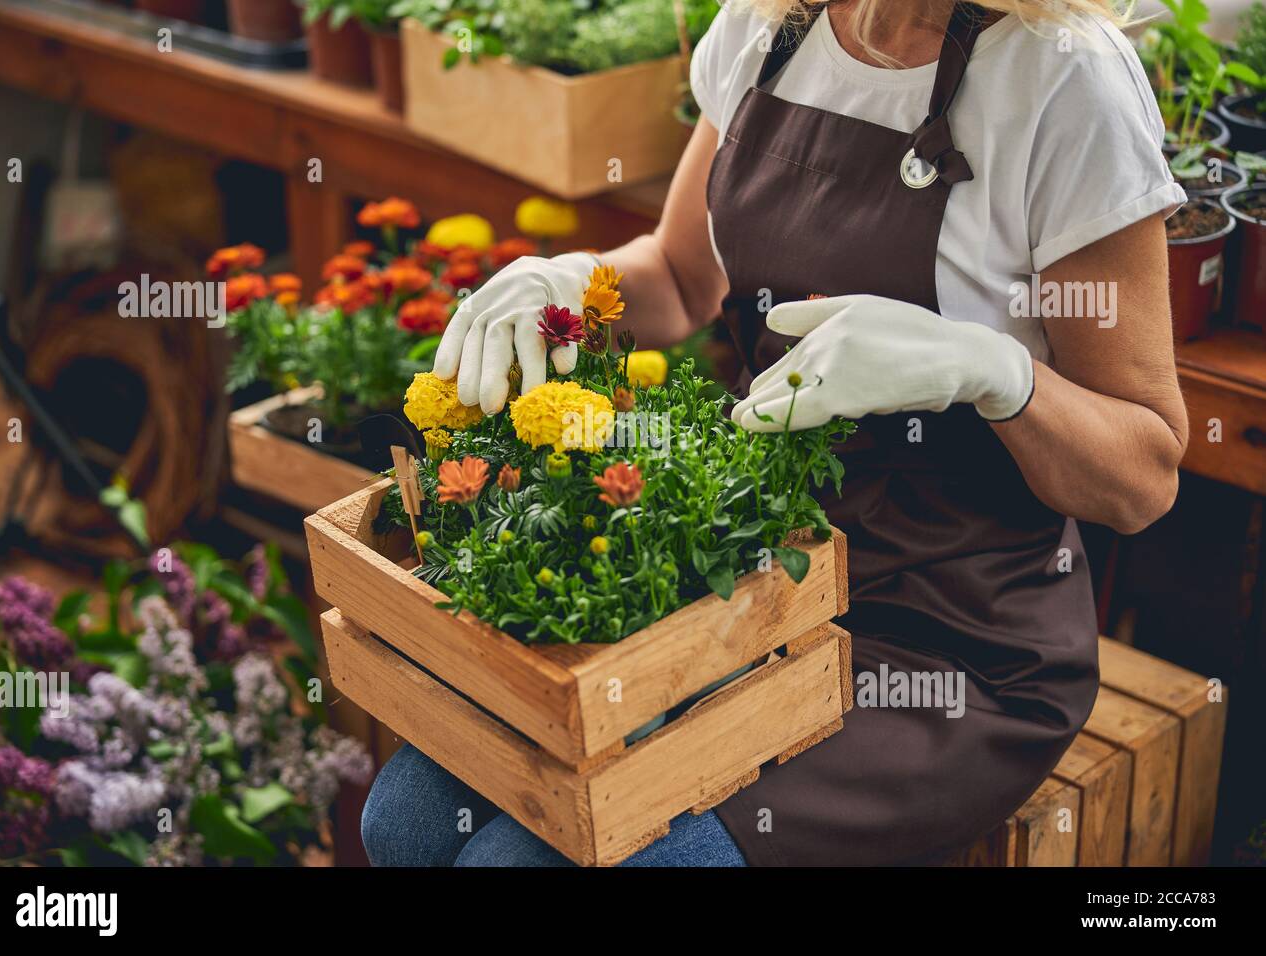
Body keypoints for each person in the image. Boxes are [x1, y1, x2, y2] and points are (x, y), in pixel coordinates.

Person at [362, 0, 1189, 866]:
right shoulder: (770, 28)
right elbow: (680, 279)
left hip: (950, 636)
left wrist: (994, 372)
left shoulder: (1064, 79)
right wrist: (568, 282)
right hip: (744, 568)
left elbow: (1143, 474)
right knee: (408, 824)